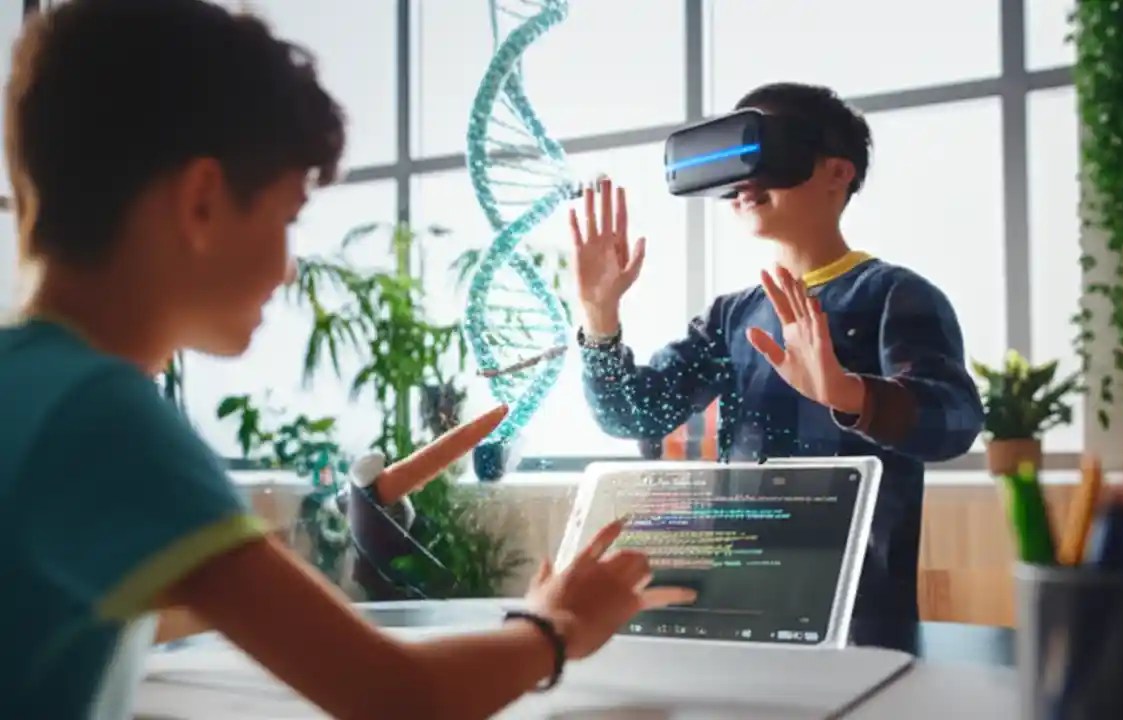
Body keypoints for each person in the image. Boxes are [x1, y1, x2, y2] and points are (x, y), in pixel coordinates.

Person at [0, 1, 693, 718]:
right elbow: (399, 696)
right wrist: (556, 626)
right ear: (201, 201)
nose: (291, 269)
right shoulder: (103, 418)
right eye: (288, 216)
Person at [571, 82, 984, 652]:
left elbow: (956, 420)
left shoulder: (895, 295)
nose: (745, 182)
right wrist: (599, 317)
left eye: (767, 154)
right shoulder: (731, 317)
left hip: (860, 615)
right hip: (740, 605)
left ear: (839, 173)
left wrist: (850, 394)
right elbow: (635, 414)